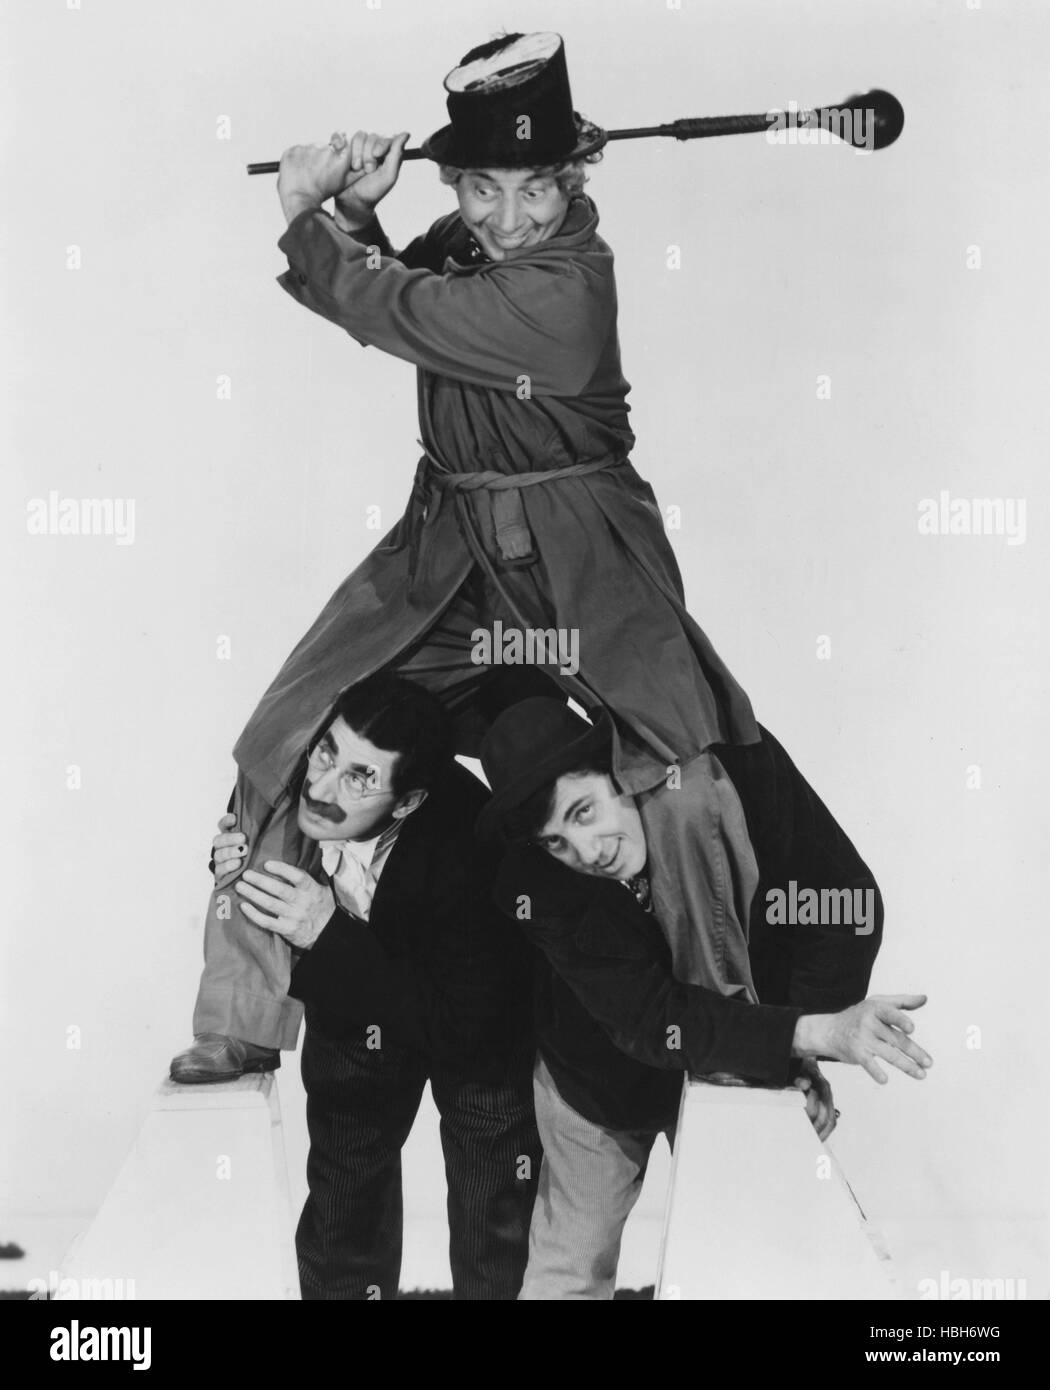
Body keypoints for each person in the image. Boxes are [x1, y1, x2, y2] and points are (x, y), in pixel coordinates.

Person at [170, 29, 769, 1081]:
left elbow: (395, 309)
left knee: (676, 771)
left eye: (532, 188)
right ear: (458, 183)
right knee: (291, 728)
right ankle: (242, 1015)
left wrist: (309, 215)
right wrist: (354, 212)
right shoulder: (467, 242)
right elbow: (392, 287)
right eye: (480, 189)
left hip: (586, 557)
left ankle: (727, 1033)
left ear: (574, 177)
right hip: (445, 551)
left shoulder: (568, 287)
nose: (505, 217)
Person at [476, 698, 933, 1300]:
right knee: (571, 1267)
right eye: (557, 842)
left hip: (739, 1058)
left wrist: (796, 1055)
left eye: (583, 813)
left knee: (769, 1254)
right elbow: (650, 1018)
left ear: (620, 770)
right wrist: (809, 1035)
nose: (586, 852)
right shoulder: (536, 886)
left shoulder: (730, 767)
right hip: (600, 1081)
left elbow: (843, 903)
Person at [181, 675, 540, 1299]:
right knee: (343, 1210)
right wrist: (232, 860)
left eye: (359, 779)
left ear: (406, 803)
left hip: (477, 1029)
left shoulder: (472, 847)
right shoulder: (295, 777)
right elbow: (256, 847)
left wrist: (325, 931)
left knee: (494, 1231)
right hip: (353, 1009)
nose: (320, 788)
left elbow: (464, 1020)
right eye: (327, 753)